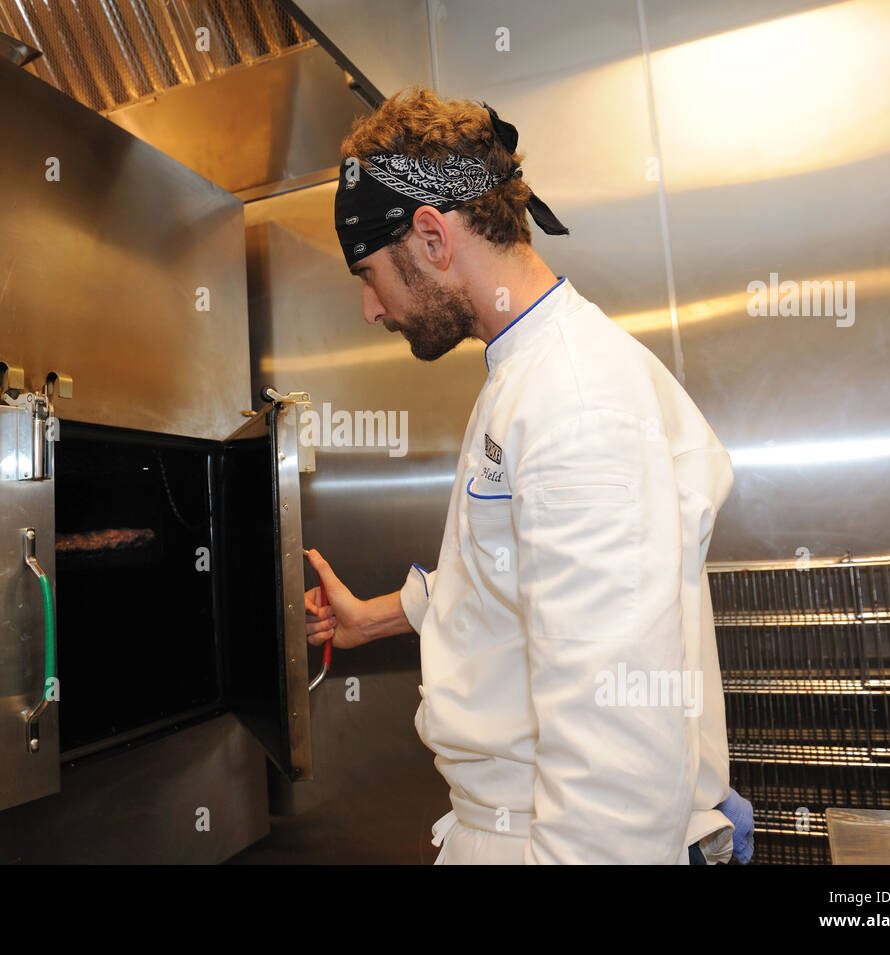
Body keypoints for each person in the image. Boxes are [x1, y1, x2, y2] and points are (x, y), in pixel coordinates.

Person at [304, 86, 744, 864]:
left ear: (433, 237)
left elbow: (617, 767)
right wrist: (370, 618)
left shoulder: (575, 402)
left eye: (369, 275)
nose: (372, 310)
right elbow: (508, 570)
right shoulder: (529, 374)